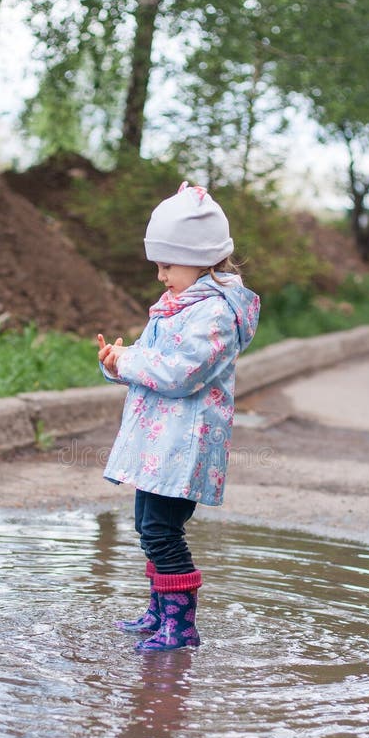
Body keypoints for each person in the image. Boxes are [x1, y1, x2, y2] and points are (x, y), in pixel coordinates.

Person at [97, 182, 259, 652]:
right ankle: (160, 609)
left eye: (168, 265)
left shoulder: (216, 315)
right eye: (158, 265)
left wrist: (131, 363)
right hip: (159, 443)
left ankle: (181, 625)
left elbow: (181, 373)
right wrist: (118, 361)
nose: (161, 275)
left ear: (202, 259)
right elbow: (150, 359)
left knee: (162, 531)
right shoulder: (178, 305)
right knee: (148, 526)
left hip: (182, 446)